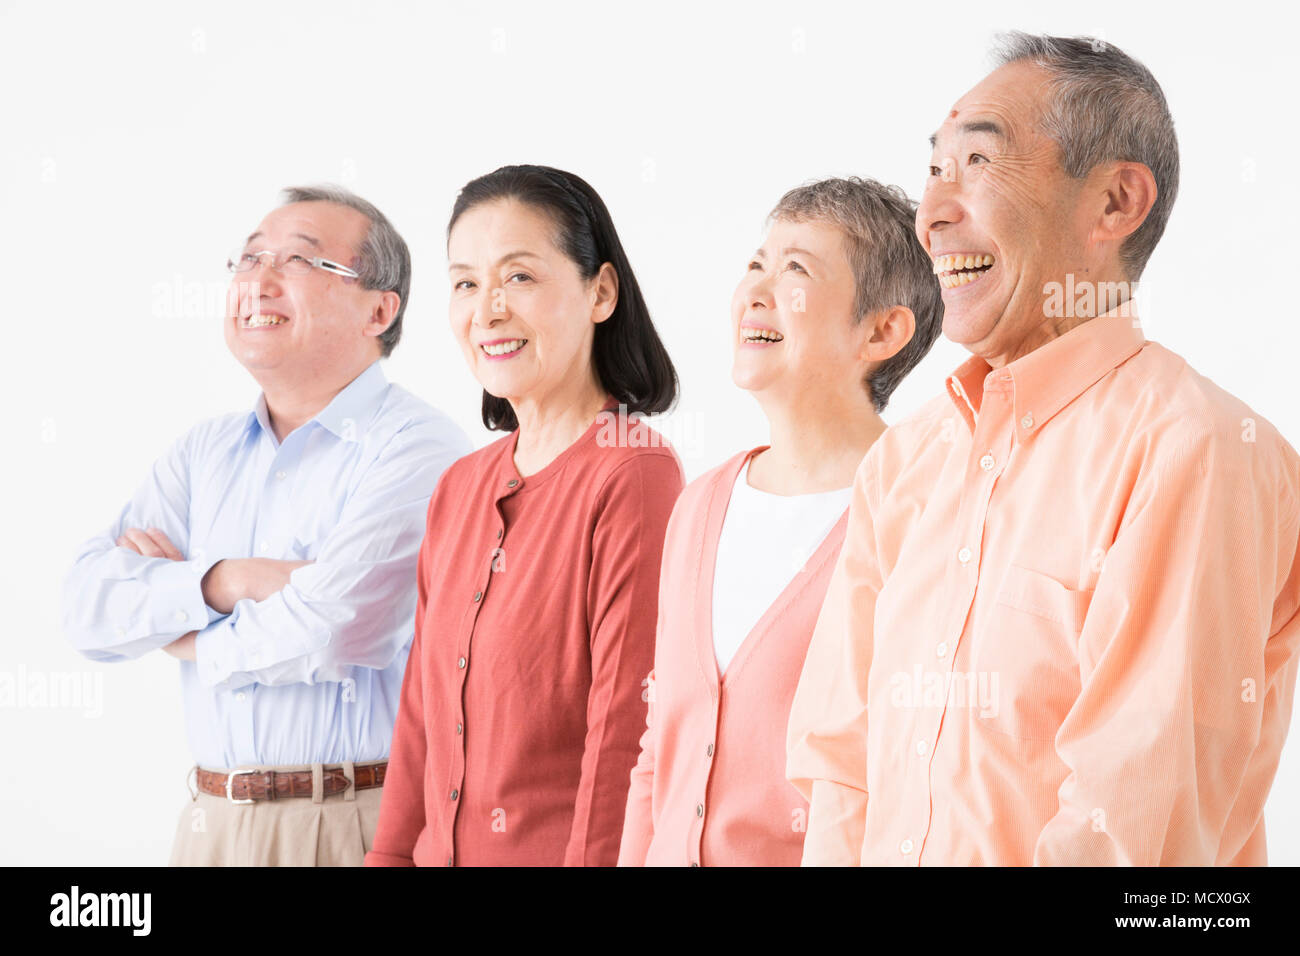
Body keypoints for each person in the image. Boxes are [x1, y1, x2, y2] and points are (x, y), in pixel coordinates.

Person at [787, 32, 1300, 866]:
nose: (933, 214)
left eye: (979, 163)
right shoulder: (904, 465)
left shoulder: (1199, 449)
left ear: (1114, 204)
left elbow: (1135, 817)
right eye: (934, 171)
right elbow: (840, 764)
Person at [63, 185, 471, 865]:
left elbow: (339, 627)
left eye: (300, 261)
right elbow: (87, 610)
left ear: (380, 309)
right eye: (249, 258)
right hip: (208, 823)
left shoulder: (418, 445)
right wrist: (229, 580)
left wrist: (183, 634)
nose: (258, 279)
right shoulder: (203, 451)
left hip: (352, 822)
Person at [366, 165, 684, 867]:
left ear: (600, 292)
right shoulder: (460, 486)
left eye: (519, 277)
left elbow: (624, 729)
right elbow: (419, 714)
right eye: (465, 283)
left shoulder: (632, 473)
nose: (487, 310)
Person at [618, 178, 941, 866]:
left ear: (882, 330)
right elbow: (659, 751)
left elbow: (912, 771)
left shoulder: (921, 512)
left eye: (795, 269)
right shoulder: (699, 503)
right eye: (755, 264)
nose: (757, 290)